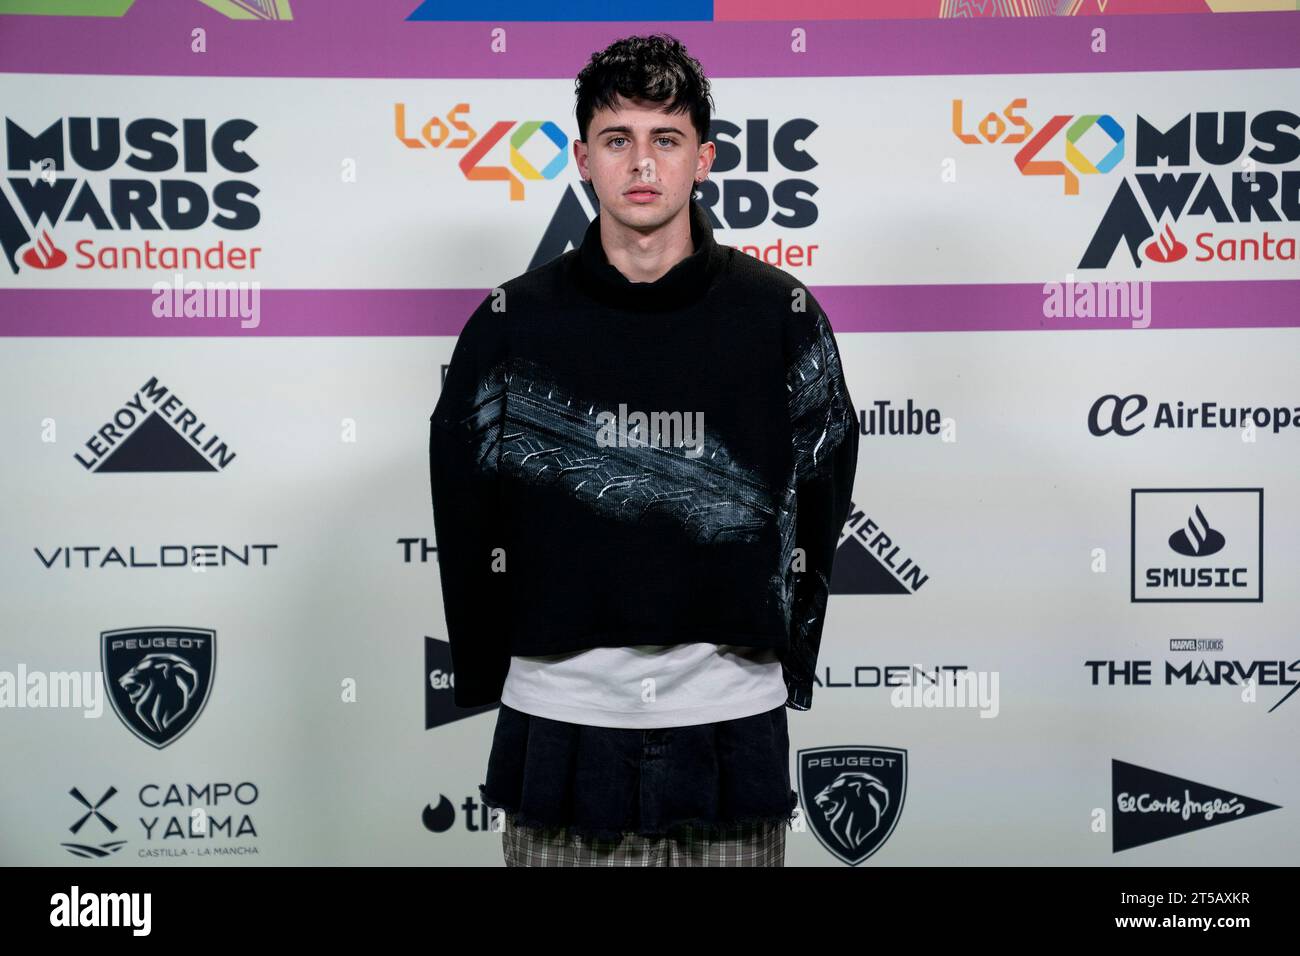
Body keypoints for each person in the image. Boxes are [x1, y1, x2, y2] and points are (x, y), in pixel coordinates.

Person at [429, 33, 858, 867]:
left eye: (666, 139)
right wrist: (489, 667)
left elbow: (825, 481)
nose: (642, 164)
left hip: (731, 719)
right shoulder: (511, 323)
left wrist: (786, 653)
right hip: (558, 719)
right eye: (618, 140)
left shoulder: (781, 316)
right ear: (582, 157)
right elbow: (463, 497)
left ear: (703, 158)